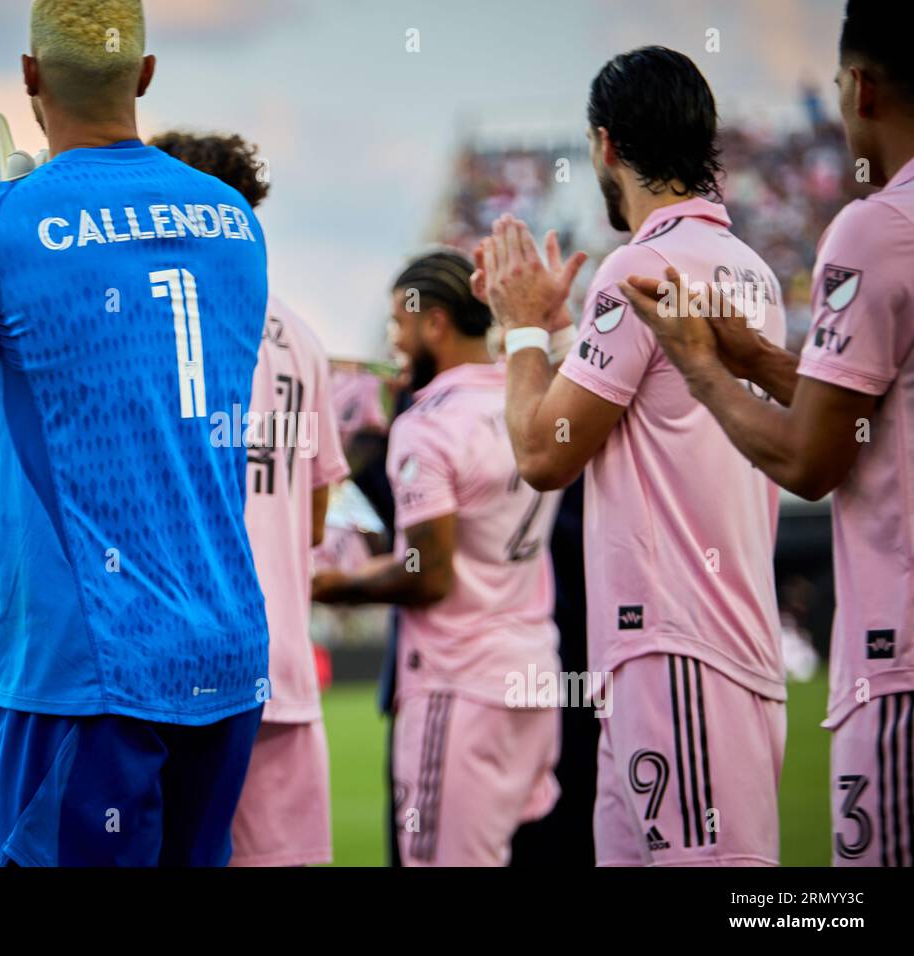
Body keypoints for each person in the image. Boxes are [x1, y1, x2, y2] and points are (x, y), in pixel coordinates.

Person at [0, 0, 270, 866]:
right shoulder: (234, 220)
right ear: (146, 73)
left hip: (87, 670)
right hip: (227, 647)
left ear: (30, 77)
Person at [617, 0, 914, 867]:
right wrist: (758, 357)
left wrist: (702, 364)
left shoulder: (876, 227)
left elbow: (809, 458)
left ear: (860, 88)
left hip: (898, 667)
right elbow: (872, 406)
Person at [476, 46, 788, 865]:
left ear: (606, 145)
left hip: (675, 645)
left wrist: (526, 329)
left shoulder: (643, 264)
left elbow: (544, 454)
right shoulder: (751, 268)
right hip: (714, 641)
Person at [313, 250, 562, 866]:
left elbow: (430, 575)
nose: (394, 339)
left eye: (400, 321)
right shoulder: (529, 395)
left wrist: (331, 585)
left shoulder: (428, 424)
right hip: (533, 673)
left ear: (436, 323)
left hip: (459, 685)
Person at [148, 130, 350, 867]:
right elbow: (315, 518)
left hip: (186, 666)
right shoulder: (302, 336)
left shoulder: (153, 325)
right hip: (284, 659)